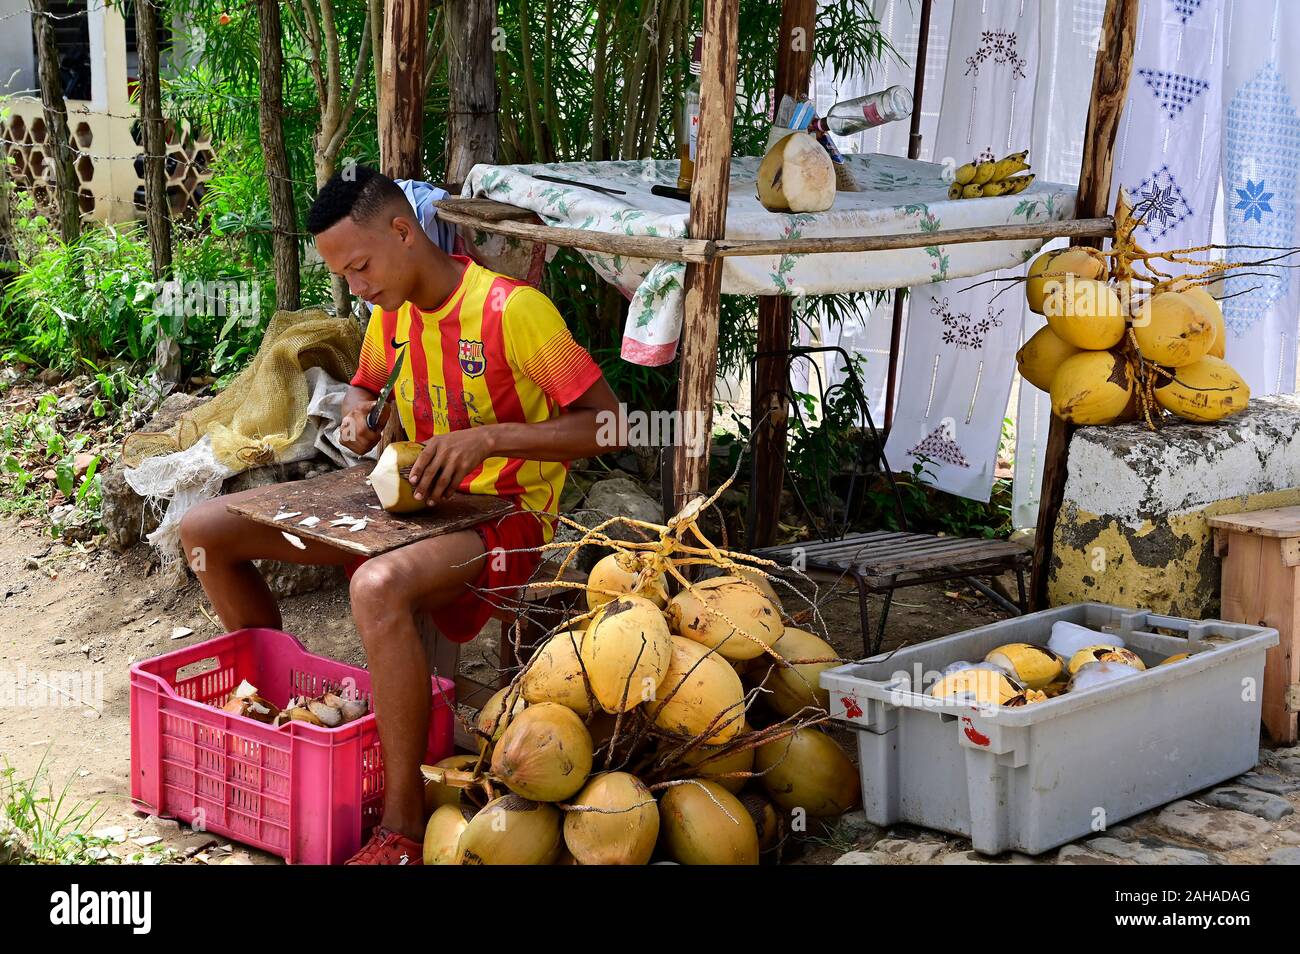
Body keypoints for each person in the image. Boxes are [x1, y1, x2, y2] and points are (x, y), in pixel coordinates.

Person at [179, 165, 620, 865]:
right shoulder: (390, 316)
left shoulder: (514, 312)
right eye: (344, 276)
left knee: (377, 587)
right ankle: (269, 718)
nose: (355, 287)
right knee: (204, 531)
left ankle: (404, 829)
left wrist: (489, 437)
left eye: (360, 267)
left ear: (403, 231)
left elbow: (608, 427)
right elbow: (364, 386)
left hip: (503, 518)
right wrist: (357, 412)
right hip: (404, 508)